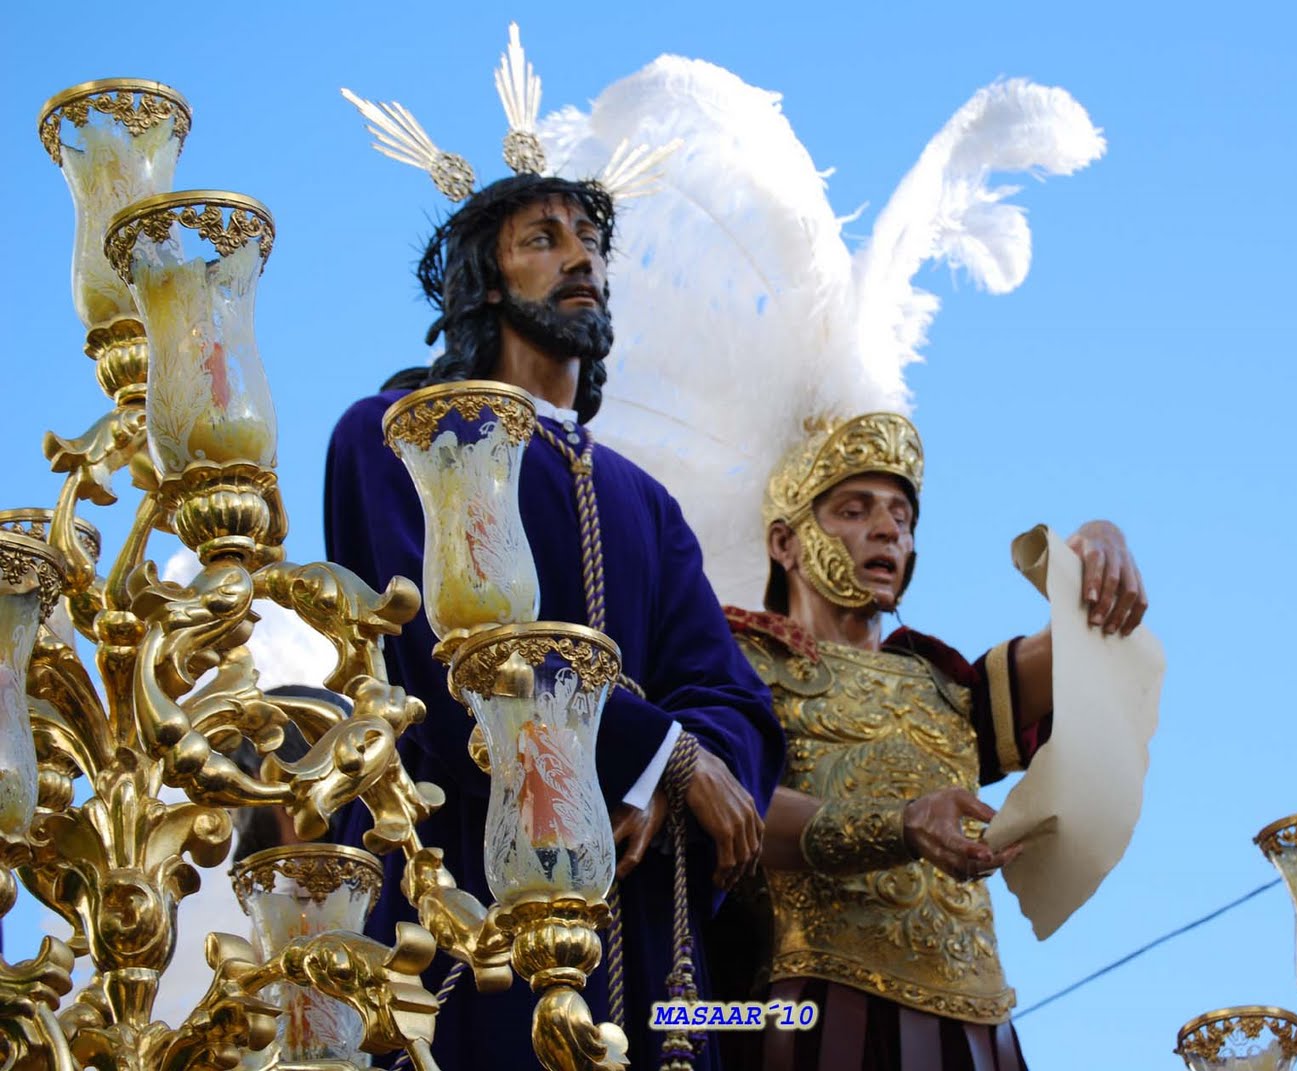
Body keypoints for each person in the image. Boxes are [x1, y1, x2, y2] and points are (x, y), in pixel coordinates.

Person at [324, 171, 785, 1069]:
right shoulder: (403, 437)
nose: (581, 258)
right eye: (542, 238)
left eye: (589, 240)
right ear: (485, 284)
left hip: (638, 945)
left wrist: (660, 781)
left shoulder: (645, 502)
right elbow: (448, 648)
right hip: (463, 908)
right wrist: (660, 752)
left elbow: (732, 697)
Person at [721, 411, 1148, 1071]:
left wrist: (1096, 545)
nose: (889, 528)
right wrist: (904, 824)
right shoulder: (739, 662)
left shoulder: (939, 683)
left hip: (980, 1025)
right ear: (787, 541)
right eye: (854, 510)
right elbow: (733, 803)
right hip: (816, 1012)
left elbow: (1082, 640)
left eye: (901, 514)